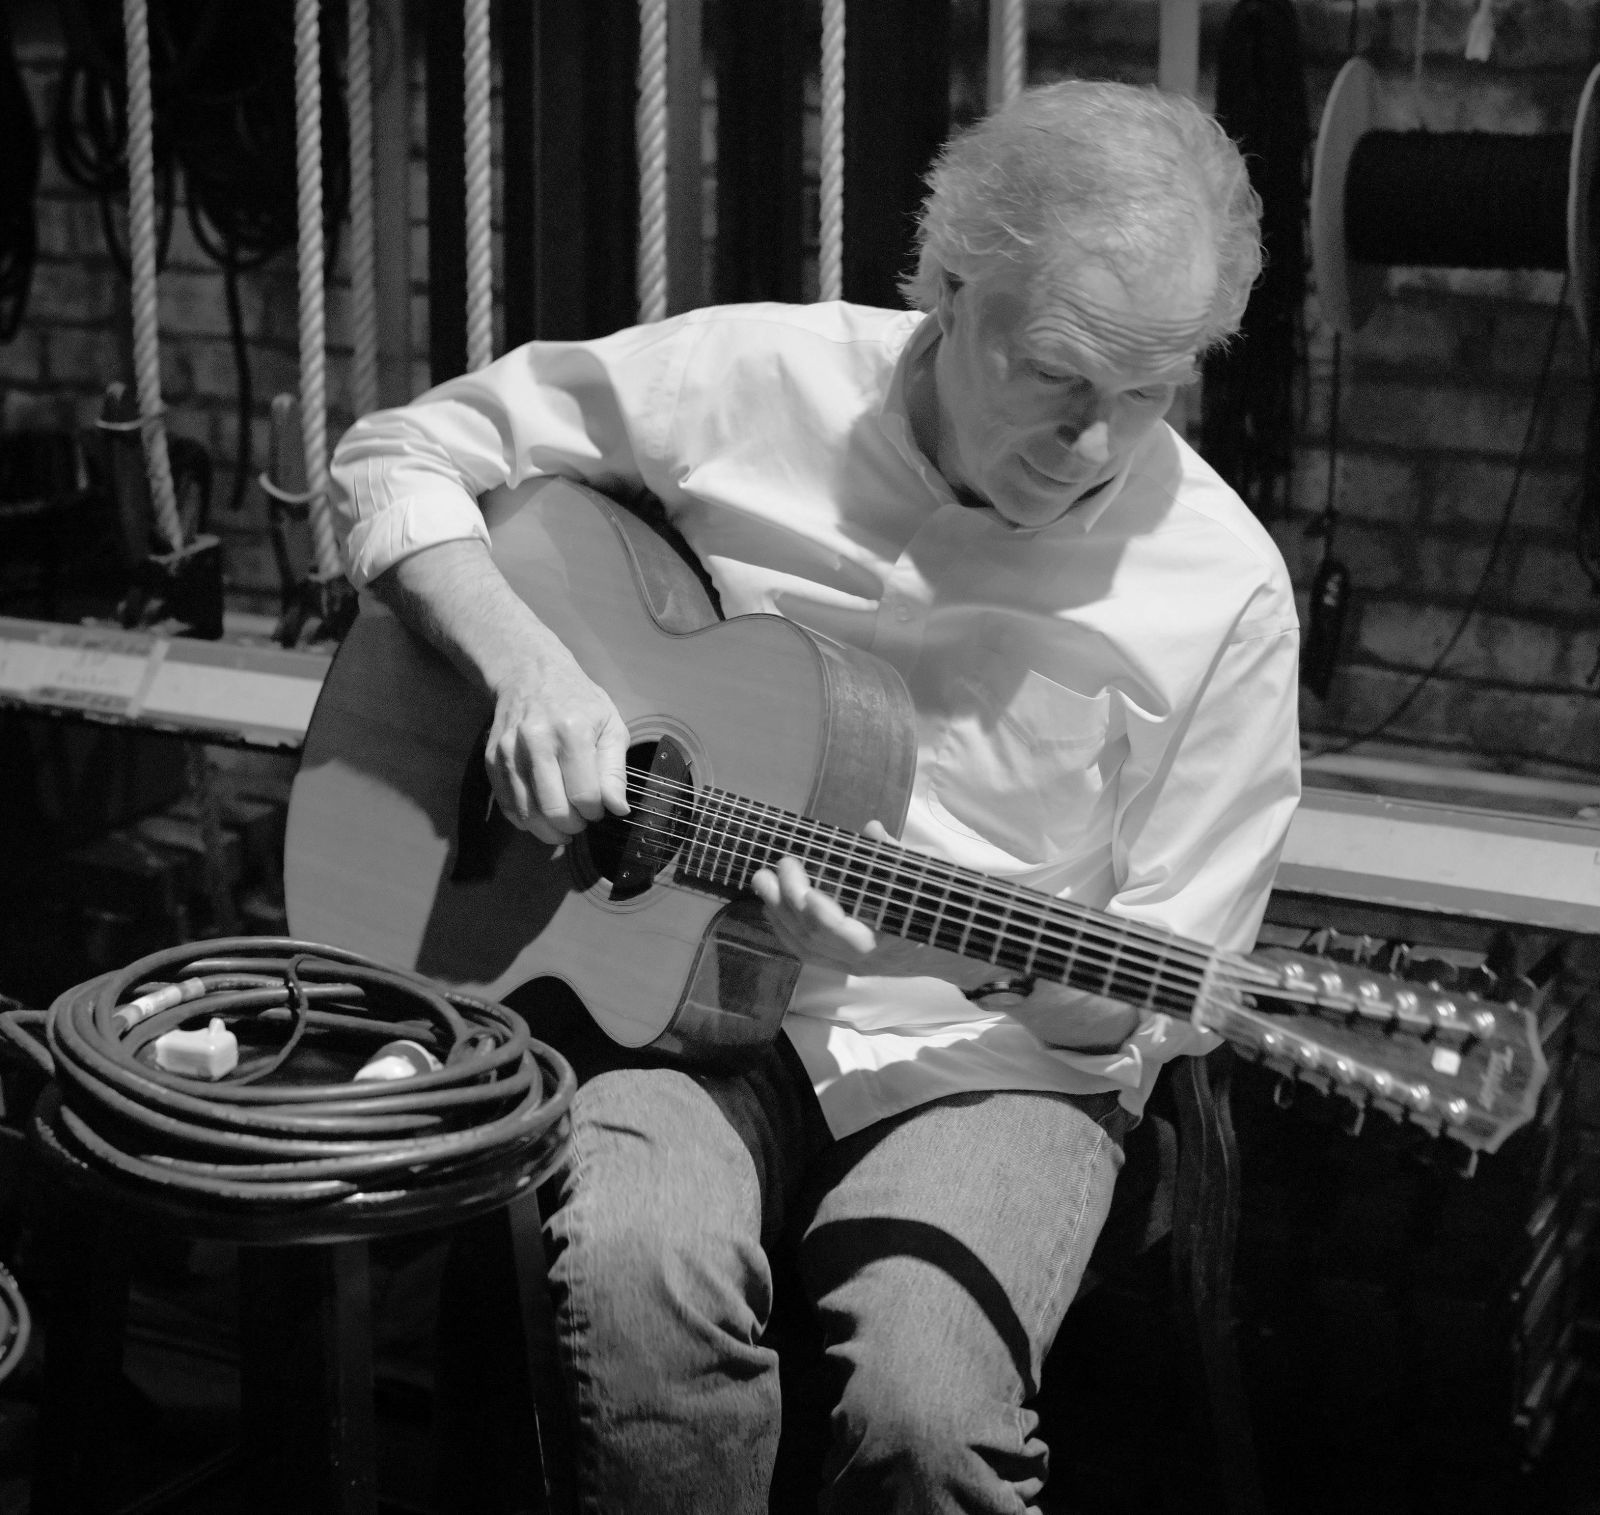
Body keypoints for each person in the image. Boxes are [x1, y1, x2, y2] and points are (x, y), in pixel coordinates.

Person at [329, 78, 1301, 1515]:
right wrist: (530, 667)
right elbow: (395, 456)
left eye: (1150, 394)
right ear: (947, 287)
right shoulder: (752, 376)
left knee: (928, 1415)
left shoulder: (1225, 592)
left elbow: (1154, 988)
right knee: (635, 1274)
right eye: (1058, 378)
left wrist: (956, 947)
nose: (1097, 447)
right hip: (673, 1003)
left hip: (988, 1062)